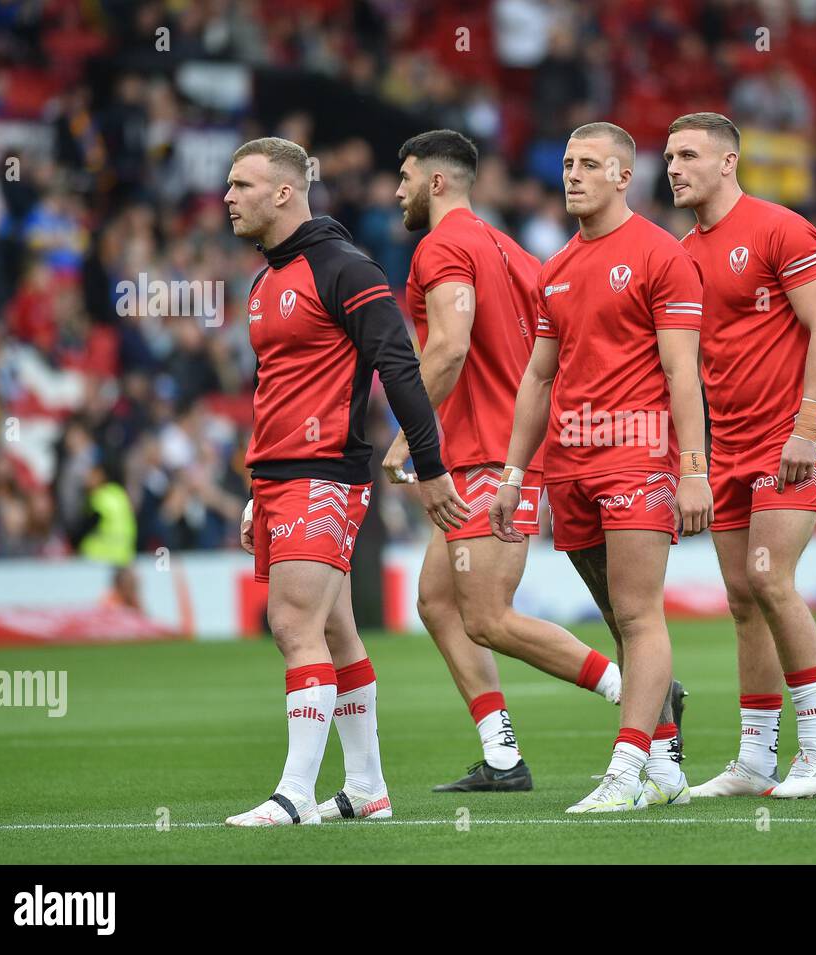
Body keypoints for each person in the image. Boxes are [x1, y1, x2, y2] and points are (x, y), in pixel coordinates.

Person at [225, 136, 468, 826]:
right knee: (334, 632)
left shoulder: (344, 269)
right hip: (280, 475)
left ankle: (293, 794)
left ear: (283, 191)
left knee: (291, 623)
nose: (227, 198)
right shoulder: (266, 280)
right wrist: (256, 484)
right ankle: (366, 787)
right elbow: (278, 390)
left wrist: (429, 463)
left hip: (325, 471)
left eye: (242, 185)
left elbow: (400, 367)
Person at [385, 129, 627, 792]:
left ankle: (639, 694)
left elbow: (450, 349)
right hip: (495, 450)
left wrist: (408, 436)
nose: (396, 190)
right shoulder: (514, 251)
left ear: (436, 183)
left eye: (404, 176)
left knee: (488, 615)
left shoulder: (441, 247)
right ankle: (501, 755)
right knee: (437, 602)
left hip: (490, 455)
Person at [490, 122, 712, 812]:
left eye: (591, 164)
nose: (574, 175)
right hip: (569, 464)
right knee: (618, 615)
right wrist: (513, 473)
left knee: (641, 614)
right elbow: (536, 378)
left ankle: (625, 771)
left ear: (623, 176)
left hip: (638, 458)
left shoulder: (660, 255)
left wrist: (695, 468)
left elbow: (682, 370)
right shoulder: (553, 270)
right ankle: (667, 763)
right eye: (567, 163)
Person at [666, 112, 816, 798]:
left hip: (787, 437)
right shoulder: (683, 253)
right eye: (668, 156)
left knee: (771, 582)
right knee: (743, 599)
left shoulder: (780, 228)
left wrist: (807, 426)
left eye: (687, 155)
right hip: (730, 444)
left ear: (727, 162)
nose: (674, 167)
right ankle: (754, 759)